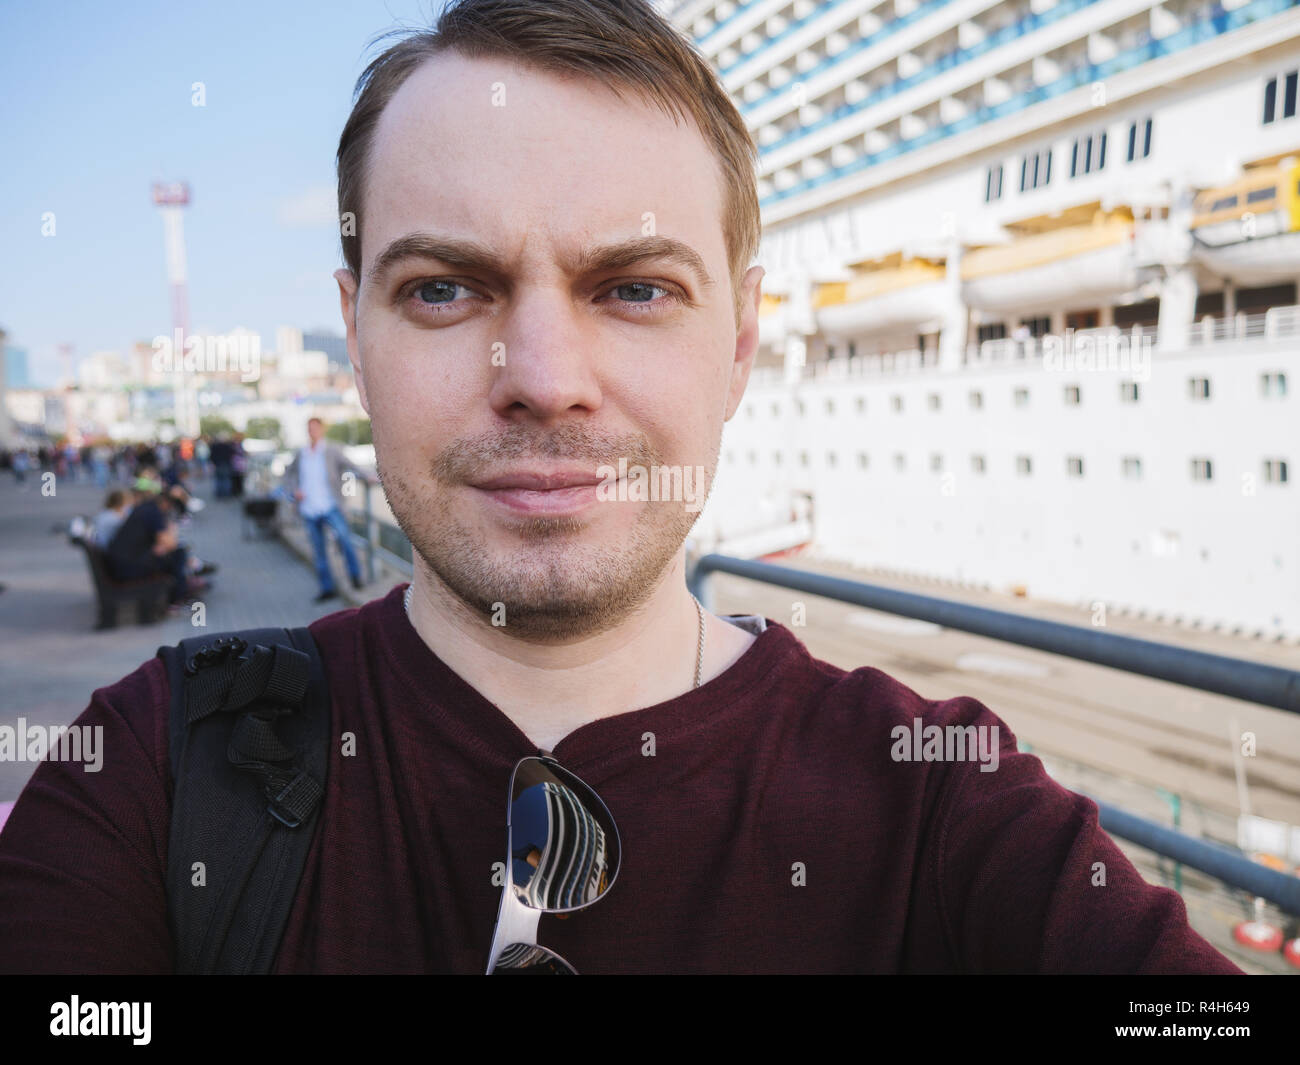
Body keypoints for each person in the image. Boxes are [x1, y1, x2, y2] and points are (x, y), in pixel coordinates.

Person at [0, 0, 1242, 975]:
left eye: (634, 289)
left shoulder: (945, 801)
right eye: (444, 288)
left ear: (742, 343)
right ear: (356, 337)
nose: (543, 378)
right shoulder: (158, 765)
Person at [280, 417, 371, 602]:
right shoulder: (302, 453)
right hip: (309, 508)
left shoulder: (331, 450)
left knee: (345, 542)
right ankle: (326, 588)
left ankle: (355, 578)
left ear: (321, 430)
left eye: (315, 429)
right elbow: (288, 474)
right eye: (309, 429)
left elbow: (351, 465)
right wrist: (293, 491)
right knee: (319, 550)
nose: (312, 432)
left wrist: (369, 476)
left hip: (331, 506)